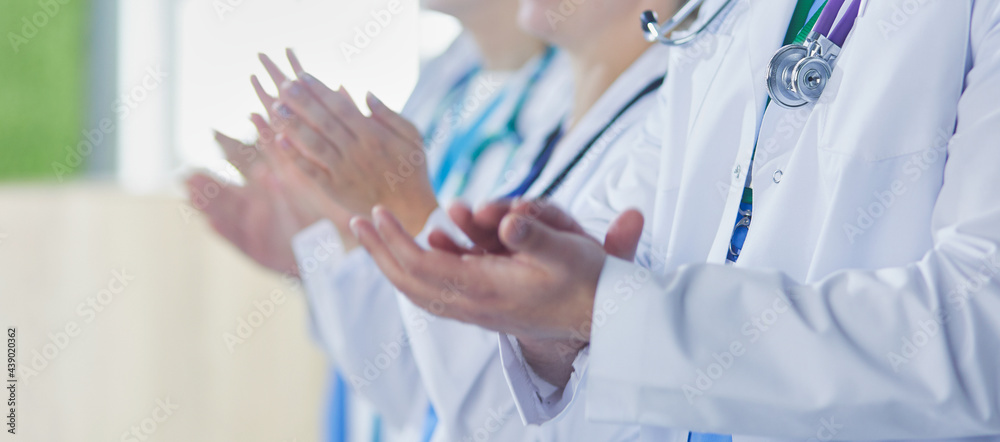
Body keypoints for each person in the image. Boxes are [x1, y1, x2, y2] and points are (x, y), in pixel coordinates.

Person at [351, 0, 1000, 441]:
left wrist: (605, 311)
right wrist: (548, 331)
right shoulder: (722, 23)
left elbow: (980, 338)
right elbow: (527, 401)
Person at [188, 0, 568, 440]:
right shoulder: (446, 81)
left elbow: (486, 396)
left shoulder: (579, 97)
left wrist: (375, 226)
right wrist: (320, 252)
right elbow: (389, 369)